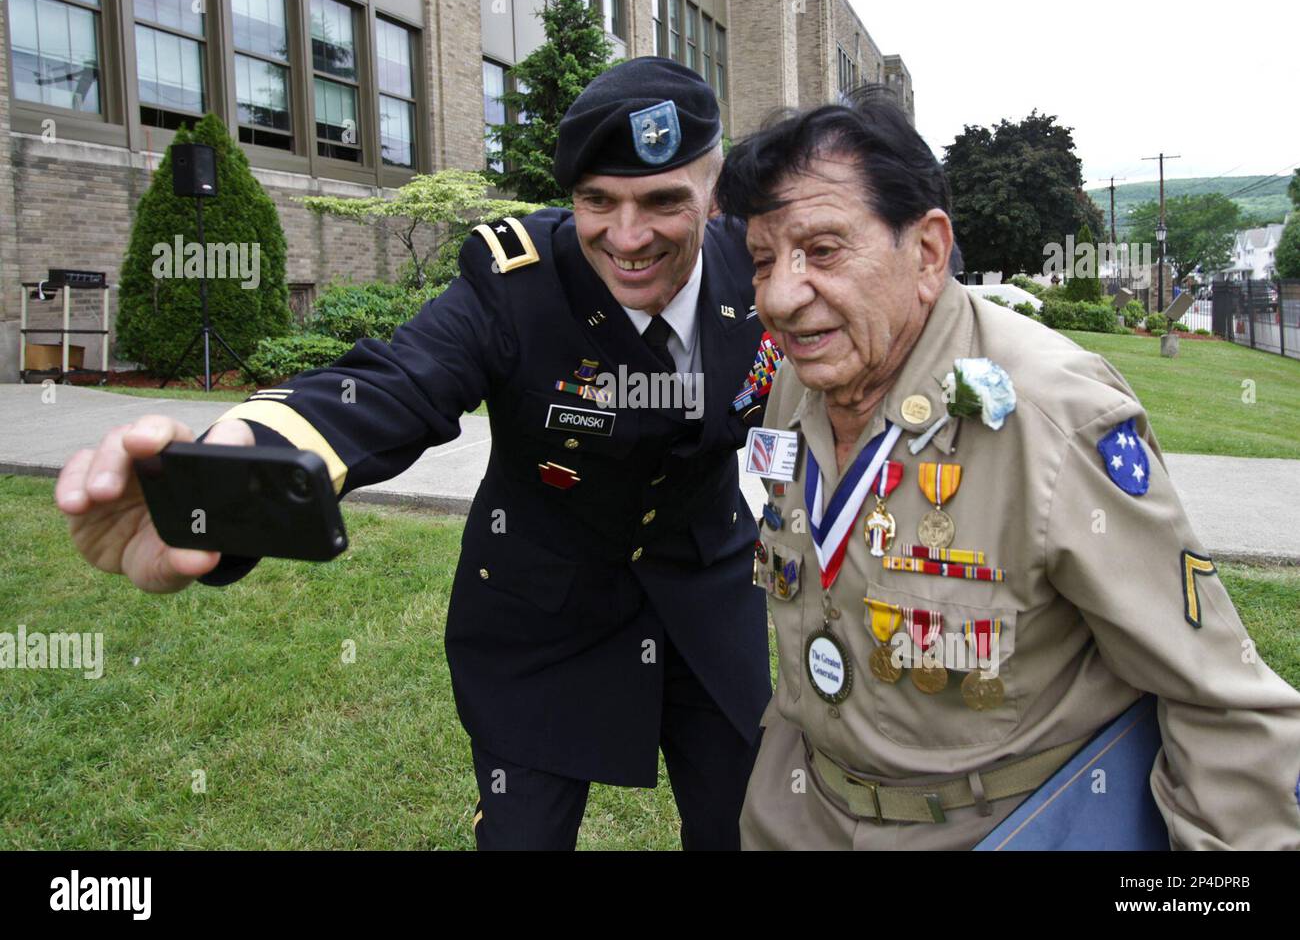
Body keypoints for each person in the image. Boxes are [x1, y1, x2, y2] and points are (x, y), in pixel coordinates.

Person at [55, 57, 773, 850]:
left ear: (714, 198)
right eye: (597, 201)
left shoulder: (758, 266)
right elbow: (398, 381)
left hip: (707, 596)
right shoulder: (518, 282)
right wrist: (226, 480)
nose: (627, 236)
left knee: (743, 827)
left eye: (663, 202)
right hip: (544, 612)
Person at [716, 84, 1300, 850]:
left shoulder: (1055, 415)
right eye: (763, 261)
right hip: (804, 812)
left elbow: (1221, 698)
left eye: (822, 251)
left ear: (926, 250)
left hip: (1001, 828)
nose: (782, 297)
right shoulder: (801, 378)